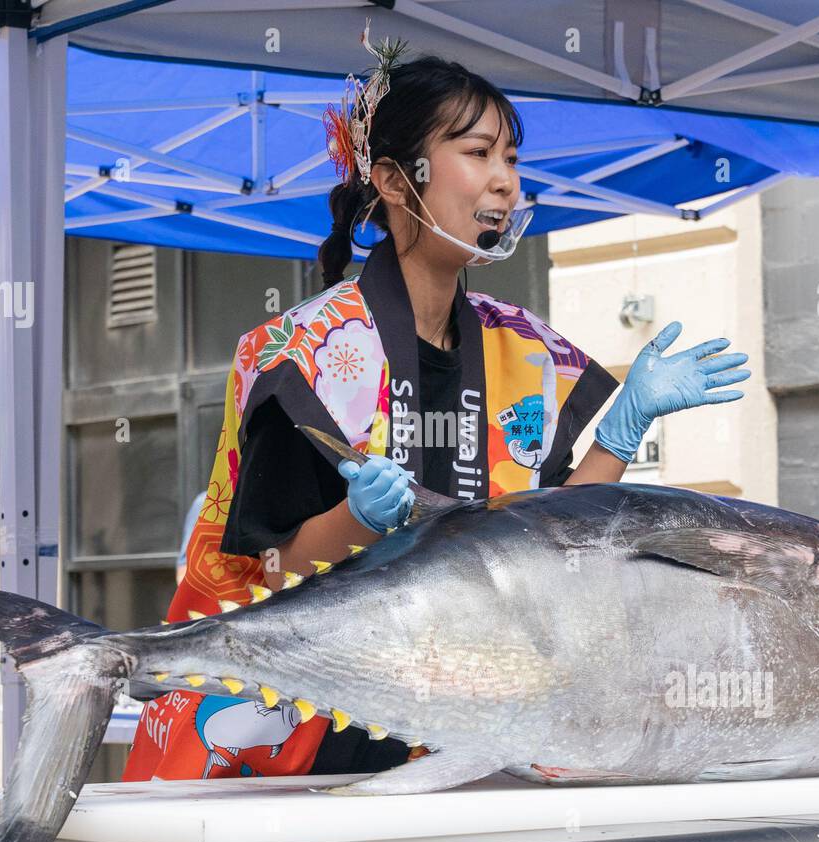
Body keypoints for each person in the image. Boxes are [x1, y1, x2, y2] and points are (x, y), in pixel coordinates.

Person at [122, 23, 750, 783]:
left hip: (458, 741)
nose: (506, 182)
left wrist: (622, 430)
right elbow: (271, 561)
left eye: (511, 159)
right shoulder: (303, 354)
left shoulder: (529, 353)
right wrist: (359, 519)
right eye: (479, 153)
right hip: (296, 741)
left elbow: (554, 549)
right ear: (393, 180)